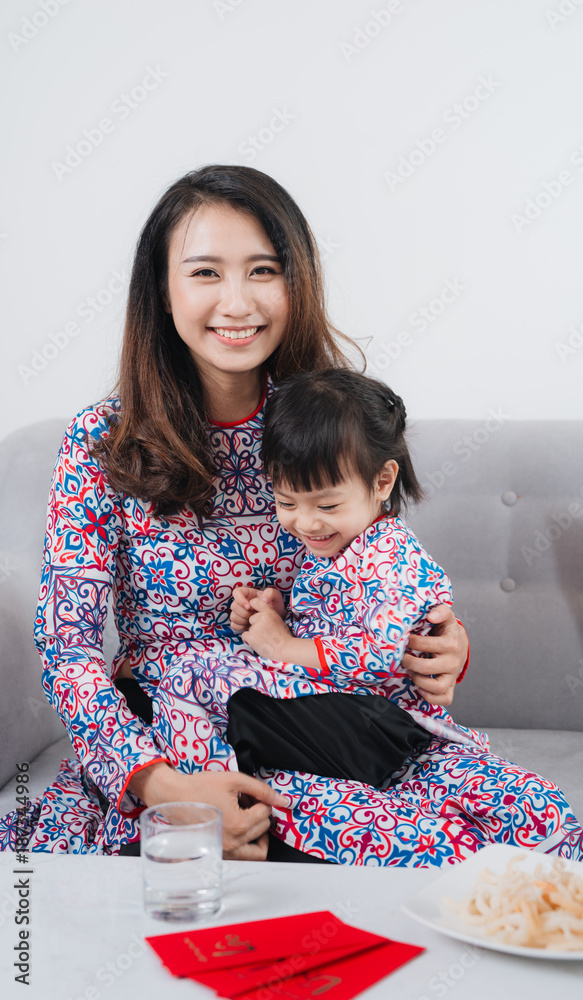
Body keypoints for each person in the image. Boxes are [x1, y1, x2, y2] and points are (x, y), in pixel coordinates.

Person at [0, 164, 470, 860]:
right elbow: (67, 648)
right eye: (205, 273)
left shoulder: (322, 426)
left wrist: (443, 650)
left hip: (314, 717)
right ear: (161, 290)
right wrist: (159, 785)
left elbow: (379, 576)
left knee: (466, 849)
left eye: (262, 270)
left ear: (296, 282)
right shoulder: (103, 442)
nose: (237, 301)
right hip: (170, 732)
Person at [151, 368, 486, 792]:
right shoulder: (339, 547)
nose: (306, 523)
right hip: (338, 711)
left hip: (381, 723)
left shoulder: (392, 555)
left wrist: (284, 646)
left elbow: (376, 654)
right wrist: (274, 615)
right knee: (195, 682)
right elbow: (333, 622)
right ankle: (220, 789)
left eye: (327, 505)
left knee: (195, 679)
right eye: (286, 501)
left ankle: (220, 792)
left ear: (383, 481)